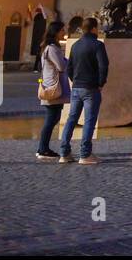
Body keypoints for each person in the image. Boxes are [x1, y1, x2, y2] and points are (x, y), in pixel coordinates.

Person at [59, 17, 108, 164]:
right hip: (91, 88)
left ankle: (64, 153)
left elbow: (69, 68)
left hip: (76, 87)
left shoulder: (76, 46)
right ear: (93, 28)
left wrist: (75, 80)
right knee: (89, 121)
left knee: (71, 119)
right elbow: (103, 66)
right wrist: (101, 83)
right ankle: (85, 154)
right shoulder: (98, 45)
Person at [35, 22, 69, 160]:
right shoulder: (53, 48)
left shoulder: (47, 47)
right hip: (53, 88)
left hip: (50, 86)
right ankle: (43, 149)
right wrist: (68, 62)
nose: (64, 32)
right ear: (55, 32)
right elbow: (61, 66)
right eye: (62, 30)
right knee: (51, 119)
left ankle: (43, 148)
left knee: (53, 118)